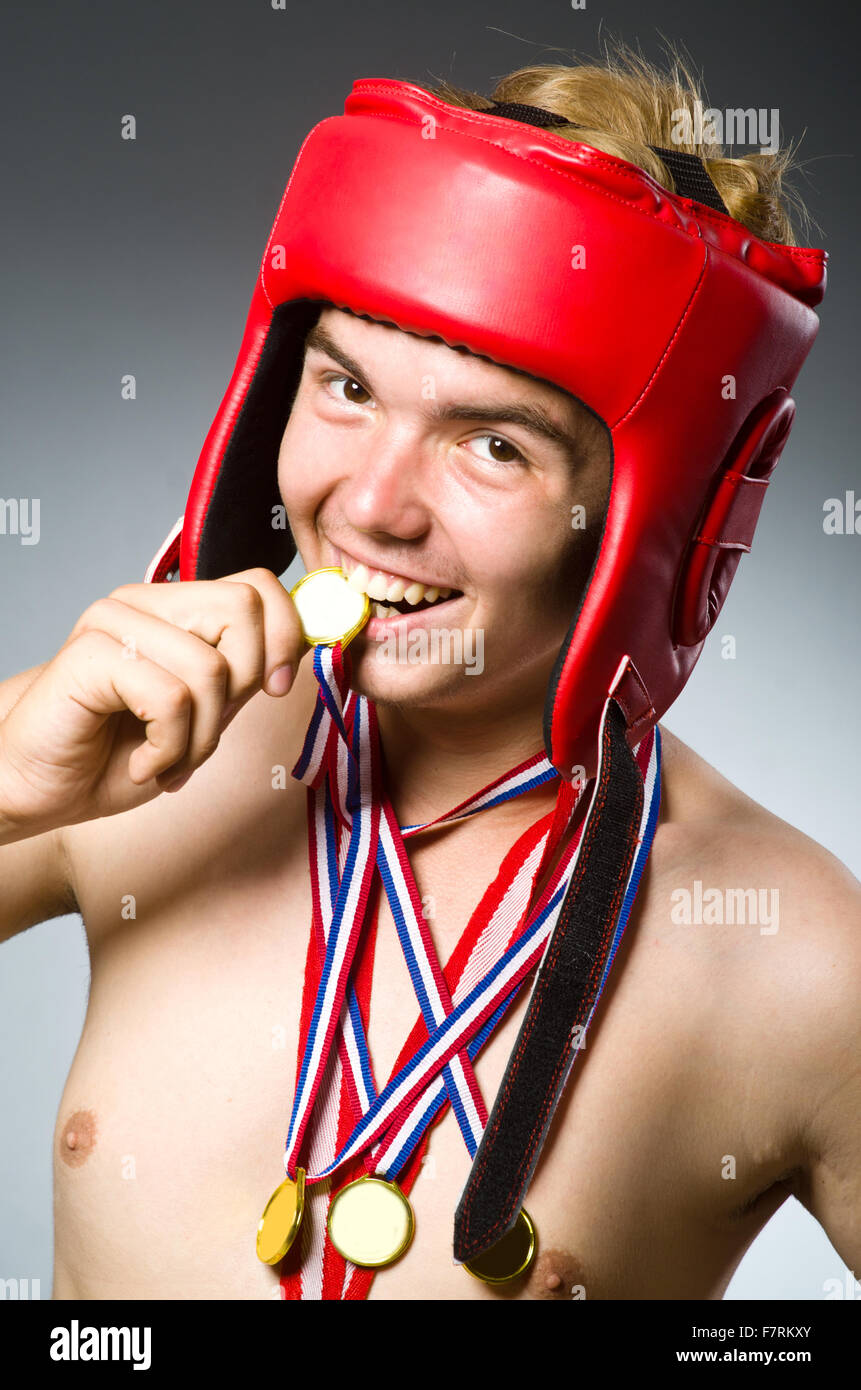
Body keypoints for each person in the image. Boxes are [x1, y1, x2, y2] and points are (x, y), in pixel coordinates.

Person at [1, 43, 858, 1302]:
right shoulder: (138, 754)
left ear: (650, 523)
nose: (370, 506)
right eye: (345, 385)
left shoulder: (797, 955)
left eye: (492, 447)